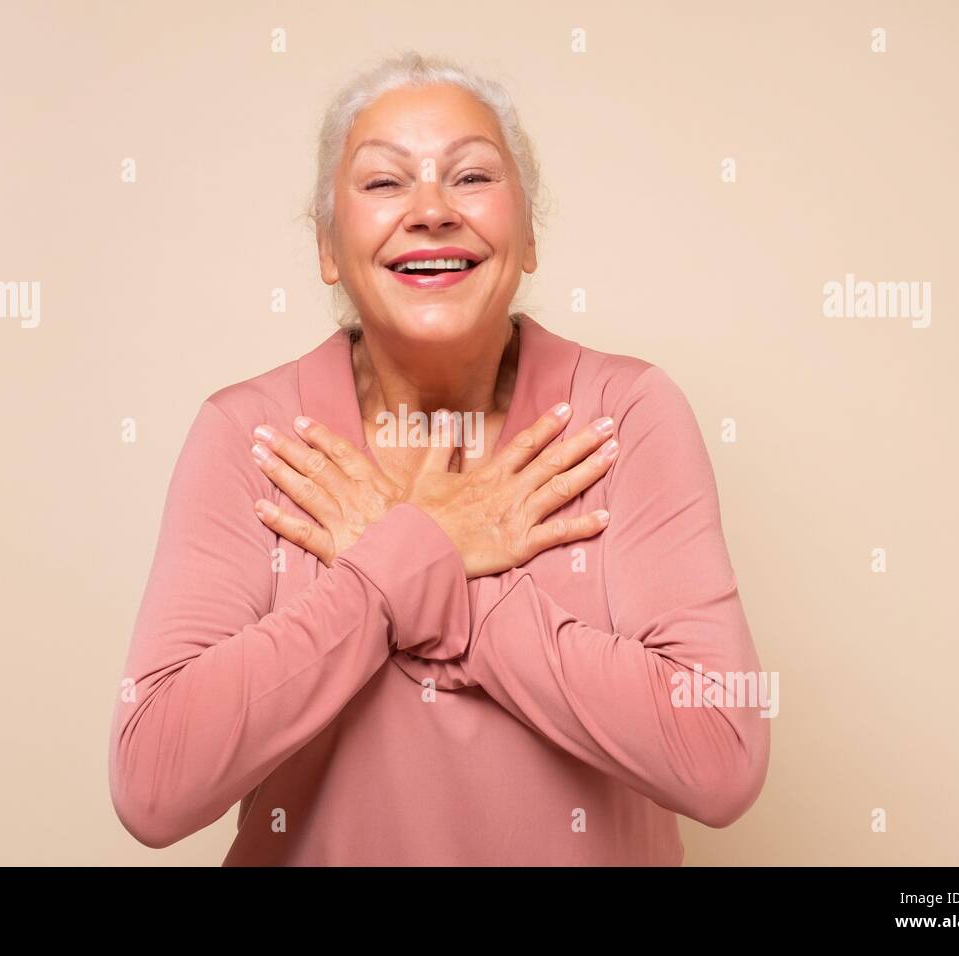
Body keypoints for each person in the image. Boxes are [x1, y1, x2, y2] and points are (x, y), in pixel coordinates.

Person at [108, 51, 770, 865]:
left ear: (528, 237)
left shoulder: (624, 414)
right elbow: (152, 783)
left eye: (471, 177)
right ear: (327, 247)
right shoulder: (253, 435)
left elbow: (719, 755)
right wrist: (415, 558)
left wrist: (428, 578)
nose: (431, 211)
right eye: (385, 183)